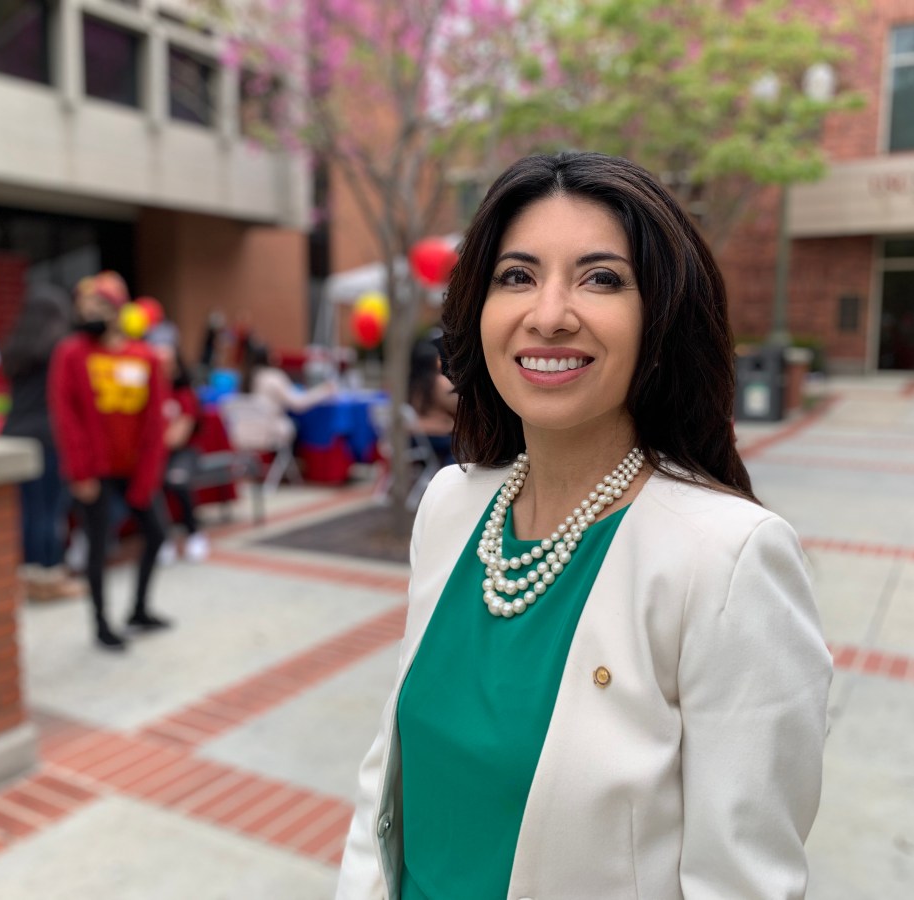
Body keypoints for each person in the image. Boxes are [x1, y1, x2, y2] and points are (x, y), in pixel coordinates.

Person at [337, 152, 832, 899]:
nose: (548, 314)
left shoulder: (726, 559)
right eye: (516, 276)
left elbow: (743, 883)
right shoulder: (450, 506)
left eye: (601, 278)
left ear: (660, 318)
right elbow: (388, 773)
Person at [48, 271, 173, 650]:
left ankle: (139, 609)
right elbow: (65, 416)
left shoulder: (144, 356)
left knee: (156, 532)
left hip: (134, 467)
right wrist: (80, 472)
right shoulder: (72, 353)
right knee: (99, 545)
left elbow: (155, 420)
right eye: (84, 307)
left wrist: (148, 474)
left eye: (98, 306)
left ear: (118, 310)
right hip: (95, 470)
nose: (90, 314)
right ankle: (101, 623)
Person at [0, 284, 83, 602]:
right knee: (50, 512)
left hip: (13, 435)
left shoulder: (16, 346)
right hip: (47, 437)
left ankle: (28, 578)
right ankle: (50, 578)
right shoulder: (60, 348)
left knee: (27, 512)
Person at [150, 326, 210, 563]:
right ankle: (161, 537)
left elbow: (177, 436)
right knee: (149, 484)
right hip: (155, 454)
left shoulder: (184, 394)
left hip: (183, 453)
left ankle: (193, 533)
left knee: (176, 479)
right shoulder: (149, 394)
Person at [241, 343, 336, 414]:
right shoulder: (273, 377)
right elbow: (298, 404)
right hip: (271, 429)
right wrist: (324, 390)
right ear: (267, 358)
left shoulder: (248, 377)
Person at [406, 339, 458, 466]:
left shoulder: (411, 384)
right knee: (463, 444)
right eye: (438, 359)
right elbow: (459, 406)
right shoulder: (438, 382)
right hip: (437, 437)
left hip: (415, 438)